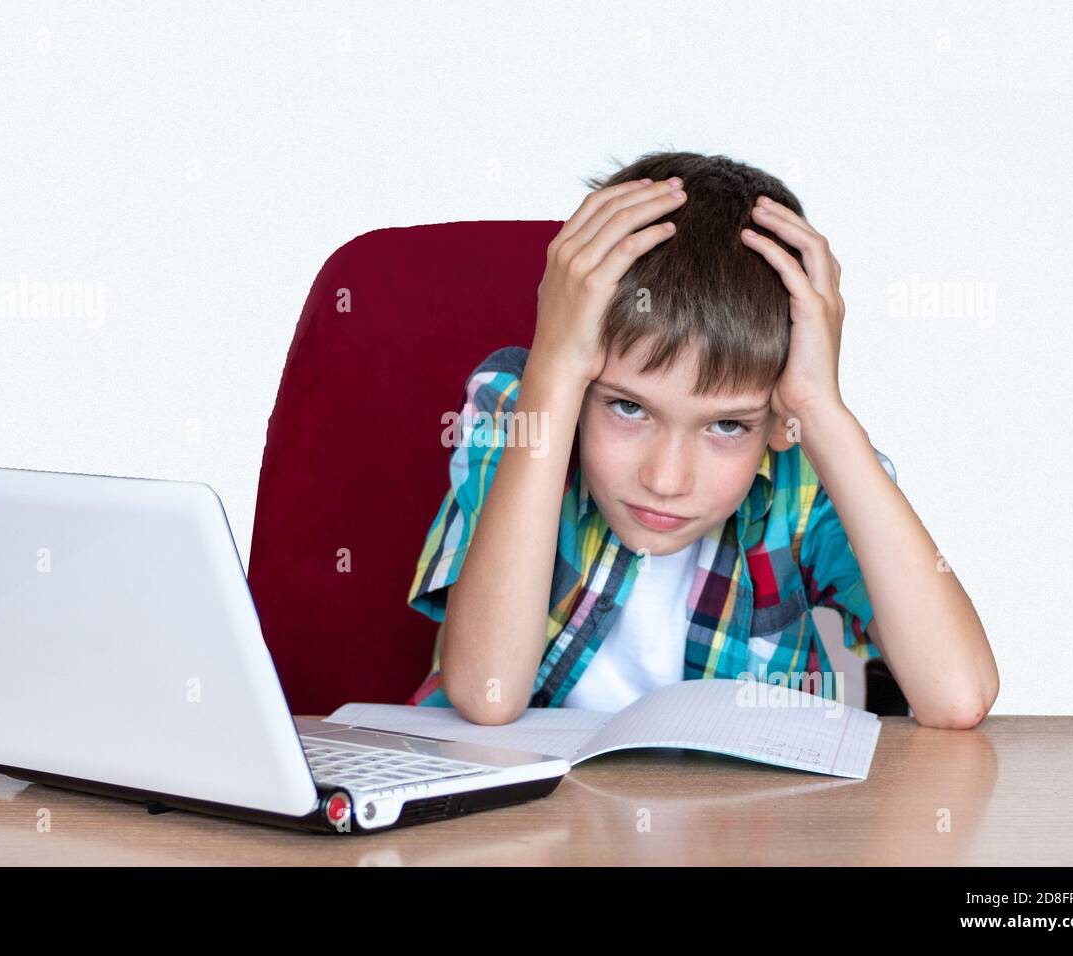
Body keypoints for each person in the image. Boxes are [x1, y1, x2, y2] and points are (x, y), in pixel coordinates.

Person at [405, 151, 999, 729]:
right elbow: (488, 695)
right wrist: (553, 373)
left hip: (733, 827)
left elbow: (957, 694)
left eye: (728, 426)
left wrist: (820, 411)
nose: (665, 480)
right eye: (629, 407)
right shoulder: (519, 409)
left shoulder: (807, 477)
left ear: (776, 422)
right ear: (579, 384)